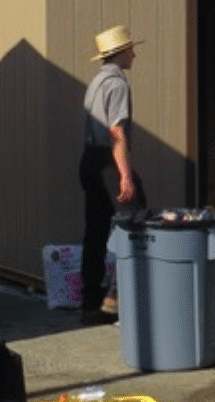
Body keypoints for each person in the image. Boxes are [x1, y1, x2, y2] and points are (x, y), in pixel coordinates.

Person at [79, 24, 147, 326]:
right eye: (130, 49)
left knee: (95, 232)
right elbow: (117, 131)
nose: (134, 53)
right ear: (120, 54)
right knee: (138, 224)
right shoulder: (118, 84)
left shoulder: (97, 81)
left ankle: (91, 303)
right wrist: (125, 175)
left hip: (89, 159)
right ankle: (118, 298)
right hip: (108, 161)